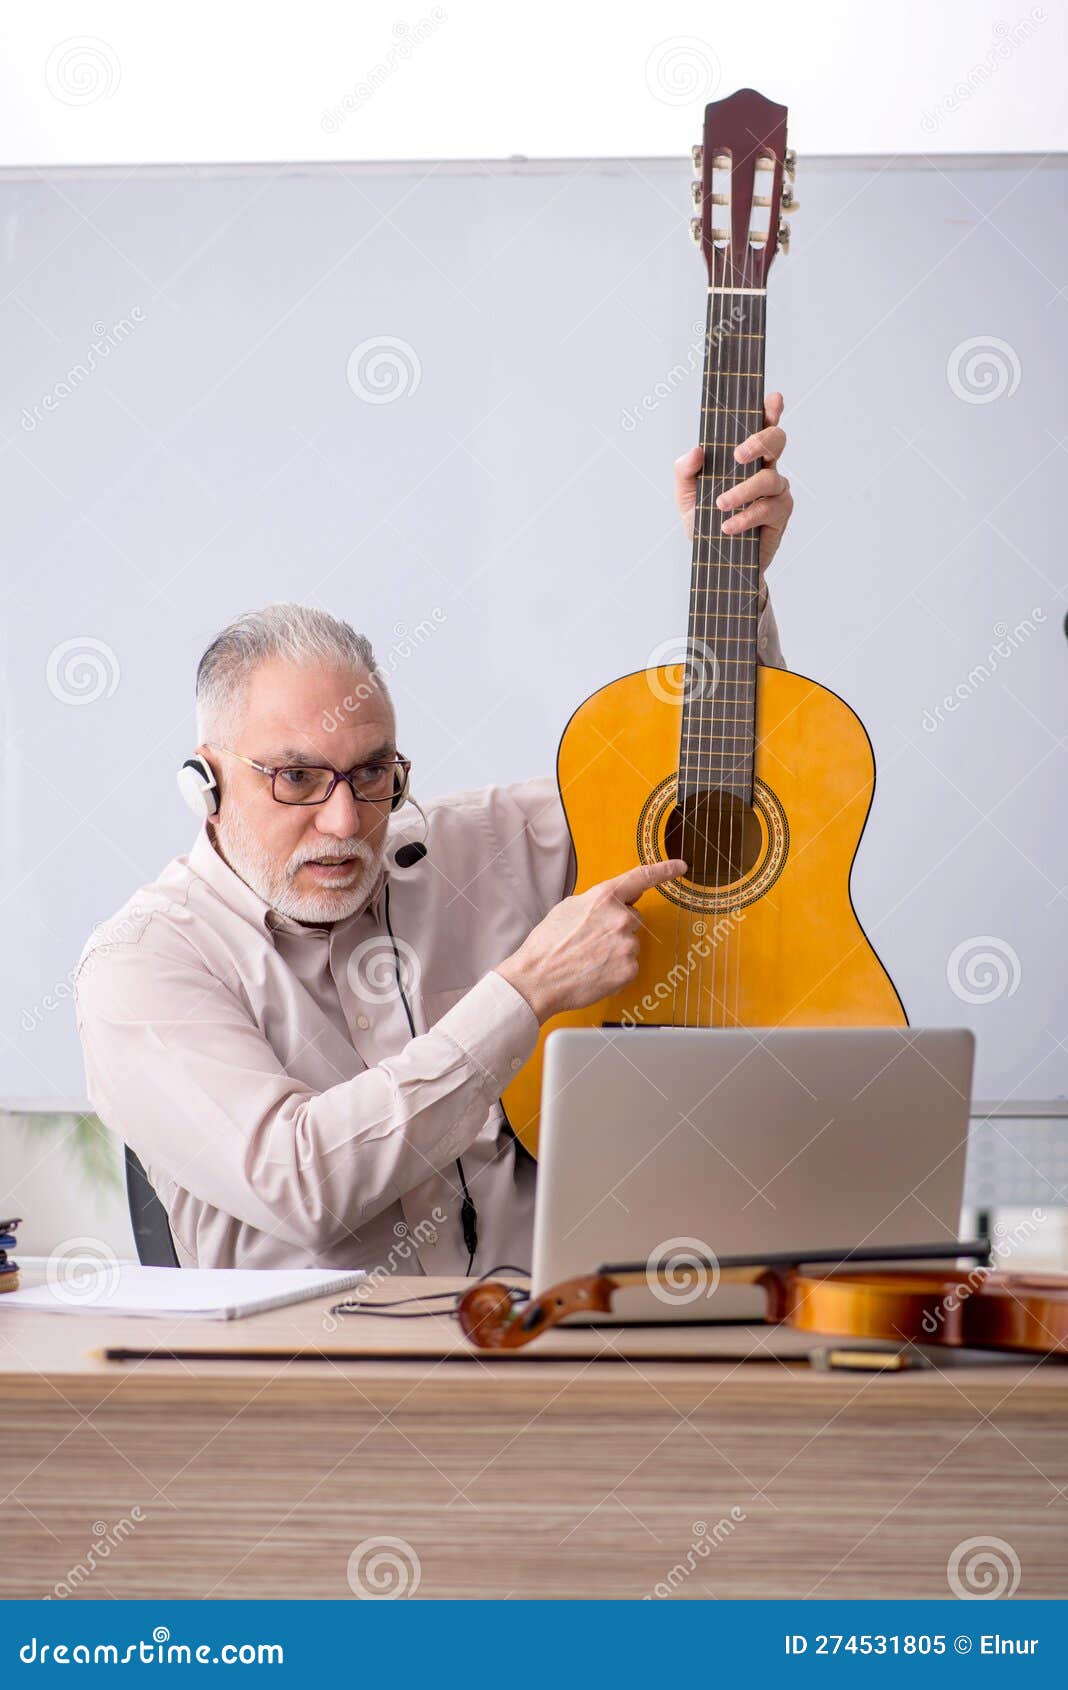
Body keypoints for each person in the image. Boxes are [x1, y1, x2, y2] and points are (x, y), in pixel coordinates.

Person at [74, 406, 794, 1275]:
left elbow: (720, 804)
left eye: (373, 774)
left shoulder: (481, 844)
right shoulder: (140, 965)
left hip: (553, 1361)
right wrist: (521, 993)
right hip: (318, 1393)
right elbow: (302, 1181)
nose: (346, 823)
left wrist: (729, 580)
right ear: (207, 781)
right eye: (297, 779)